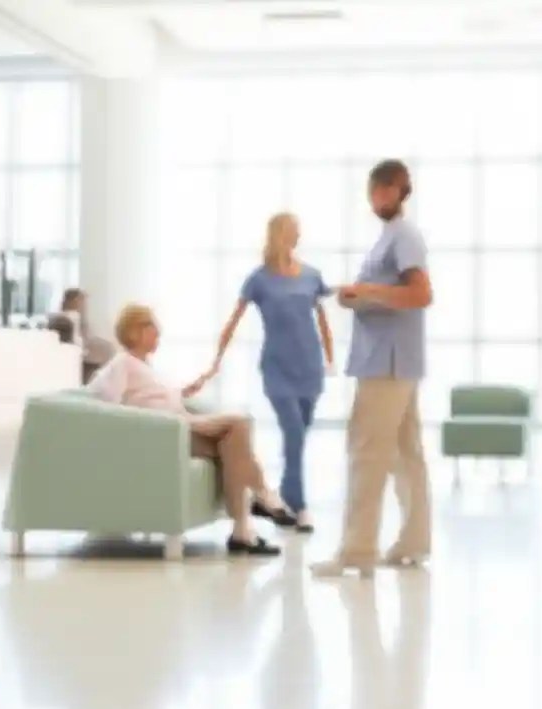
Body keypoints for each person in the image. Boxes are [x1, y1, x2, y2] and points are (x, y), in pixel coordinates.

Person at [312, 159, 433, 578]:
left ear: (403, 191)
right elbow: (390, 294)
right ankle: (413, 544)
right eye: (374, 190)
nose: (379, 196)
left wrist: (366, 291)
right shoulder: (390, 238)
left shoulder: (404, 236)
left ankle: (356, 551)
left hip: (388, 363)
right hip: (392, 361)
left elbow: (420, 294)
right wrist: (359, 297)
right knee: (406, 454)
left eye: (388, 188)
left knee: (365, 452)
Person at [89, 304, 287, 556]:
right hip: (165, 431)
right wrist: (142, 422)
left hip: (180, 425)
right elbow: (108, 403)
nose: (158, 334)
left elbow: (154, 396)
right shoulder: (123, 363)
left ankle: (243, 531)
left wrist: (186, 390)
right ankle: (263, 495)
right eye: (153, 328)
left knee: (234, 443)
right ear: (135, 330)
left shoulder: (145, 365)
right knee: (239, 423)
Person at [205, 212, 335, 534]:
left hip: (310, 367)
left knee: (298, 437)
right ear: (280, 234)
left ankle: (285, 497)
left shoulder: (312, 276)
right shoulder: (259, 280)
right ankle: (300, 506)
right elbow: (233, 321)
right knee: (293, 433)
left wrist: (330, 359)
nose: (298, 237)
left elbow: (323, 321)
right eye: (294, 231)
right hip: (277, 368)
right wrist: (215, 362)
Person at [57, 288, 115, 383]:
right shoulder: (63, 320)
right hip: (74, 353)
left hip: (84, 350)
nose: (84, 306)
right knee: (107, 349)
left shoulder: (82, 320)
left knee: (108, 348)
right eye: (81, 302)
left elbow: (88, 336)